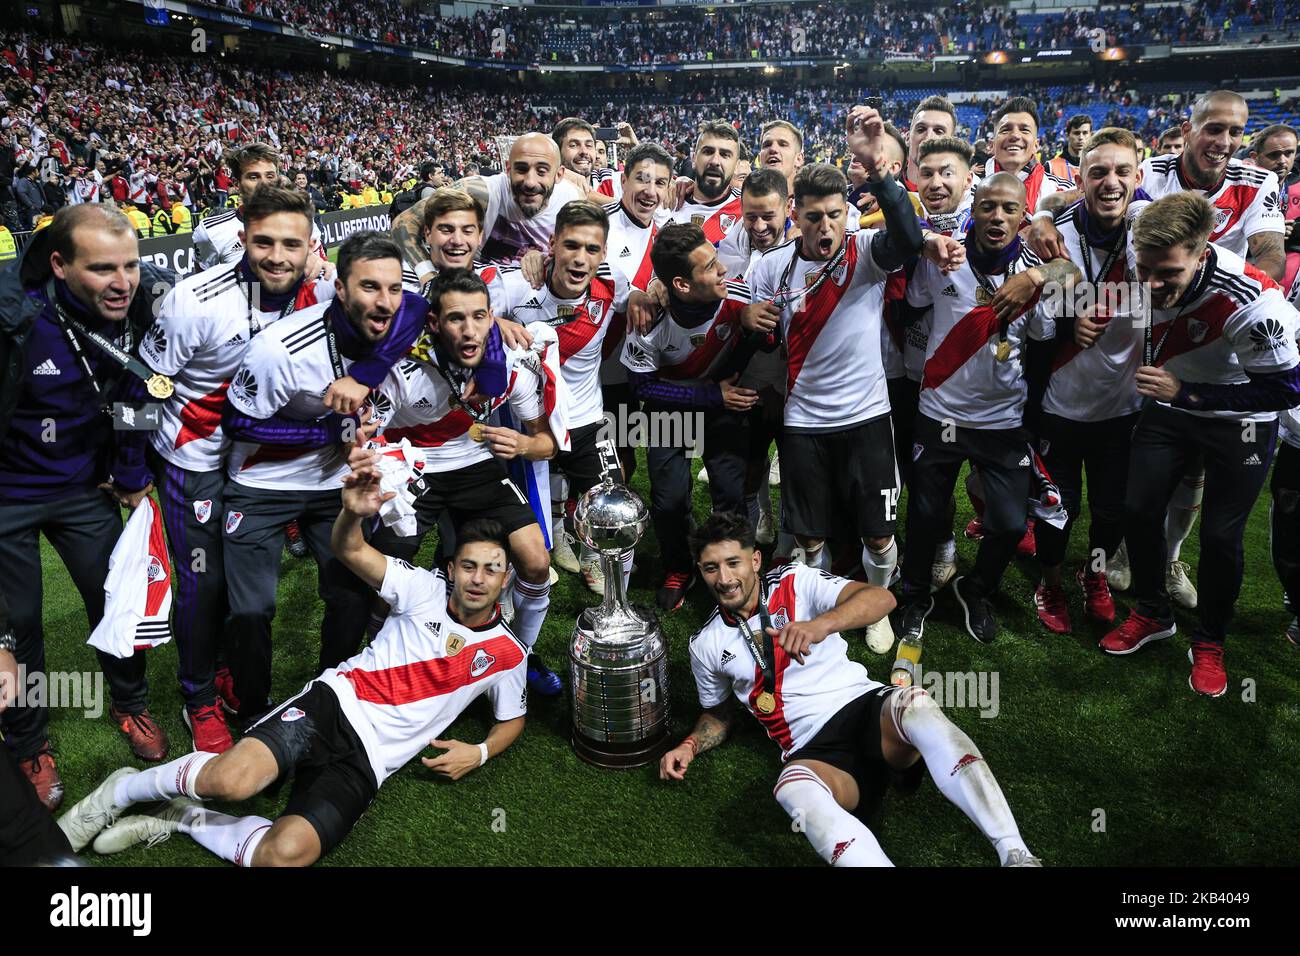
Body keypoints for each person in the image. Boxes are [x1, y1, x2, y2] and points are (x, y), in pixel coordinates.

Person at [57, 503, 527, 867]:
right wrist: (351, 512)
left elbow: (513, 718)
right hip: (332, 707)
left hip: (370, 762)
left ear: (506, 577)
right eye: (469, 566)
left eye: (490, 569)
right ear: (452, 569)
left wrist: (480, 751)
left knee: (285, 855)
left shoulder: (509, 654)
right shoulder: (421, 588)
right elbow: (351, 550)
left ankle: (181, 816)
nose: (478, 578)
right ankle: (115, 794)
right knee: (231, 781)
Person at [136, 187, 397, 753]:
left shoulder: (327, 290)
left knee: (268, 589)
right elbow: (143, 386)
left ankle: (294, 683)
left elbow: (411, 309)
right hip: (200, 458)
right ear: (242, 239)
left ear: (311, 247)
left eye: (291, 244)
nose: (277, 256)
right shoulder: (193, 300)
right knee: (205, 586)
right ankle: (200, 698)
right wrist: (131, 473)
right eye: (263, 242)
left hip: (286, 467)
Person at [660, 512, 1040, 868]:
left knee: (917, 704)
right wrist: (689, 744)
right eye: (711, 568)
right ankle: (896, 781)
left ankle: (1015, 853)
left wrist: (821, 625)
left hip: (865, 710)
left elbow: (882, 599)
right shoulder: (705, 643)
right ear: (701, 572)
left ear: (756, 561)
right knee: (791, 790)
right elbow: (721, 711)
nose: (724, 578)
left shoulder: (796, 581)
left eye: (733, 563)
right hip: (815, 753)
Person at [745, 106, 959, 654]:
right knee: (811, 537)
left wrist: (880, 172)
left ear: (847, 214)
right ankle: (821, 608)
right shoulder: (771, 267)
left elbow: (910, 237)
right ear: (795, 214)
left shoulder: (866, 253)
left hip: (867, 418)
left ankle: (874, 608)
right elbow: (759, 337)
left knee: (879, 533)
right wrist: (752, 322)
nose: (825, 228)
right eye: (814, 217)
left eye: (835, 215)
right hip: (803, 423)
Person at [0, 205, 175, 809]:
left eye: (130, 265)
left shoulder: (146, 304)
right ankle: (28, 744)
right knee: (18, 626)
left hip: (84, 490)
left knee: (118, 601)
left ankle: (129, 706)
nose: (122, 281)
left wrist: (128, 471)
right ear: (59, 264)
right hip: (8, 496)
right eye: (102, 268)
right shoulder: (14, 318)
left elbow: (142, 389)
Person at [1094, 192, 1300, 697]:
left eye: (1169, 274)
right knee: (1138, 511)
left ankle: (1210, 640)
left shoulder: (1254, 305)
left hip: (1239, 422)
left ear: (1202, 252)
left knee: (1221, 537)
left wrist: (1186, 391)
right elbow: (1126, 200)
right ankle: (1152, 612)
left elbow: (1287, 388)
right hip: (1171, 409)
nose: (1154, 285)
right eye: (1145, 270)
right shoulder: (1145, 231)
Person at [220, 230, 426, 727]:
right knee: (251, 611)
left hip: (334, 484)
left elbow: (418, 308)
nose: (385, 303)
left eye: (393, 288)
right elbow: (237, 421)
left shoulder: (401, 315)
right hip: (261, 483)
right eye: (370, 288)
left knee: (351, 591)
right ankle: (248, 706)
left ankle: (328, 688)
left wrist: (367, 373)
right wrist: (328, 429)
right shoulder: (281, 348)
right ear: (340, 288)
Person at [359, 268, 567, 695]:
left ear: (493, 318)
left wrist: (525, 445)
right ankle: (377, 657)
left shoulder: (513, 366)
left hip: (475, 461)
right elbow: (362, 436)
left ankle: (518, 654)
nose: (469, 330)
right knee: (385, 574)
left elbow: (547, 444)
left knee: (535, 561)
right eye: (456, 318)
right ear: (434, 323)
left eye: (479, 317)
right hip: (413, 465)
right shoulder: (400, 366)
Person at [894, 174, 1074, 650]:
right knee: (926, 516)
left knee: (1012, 524)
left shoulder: (1037, 268)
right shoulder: (943, 258)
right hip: (940, 412)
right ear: (974, 209)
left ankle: (976, 591)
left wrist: (1036, 275)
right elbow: (911, 306)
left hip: (1001, 422)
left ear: (1024, 217)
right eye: (988, 207)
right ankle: (912, 595)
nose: (997, 217)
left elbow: (1045, 336)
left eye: (1009, 209)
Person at [1031, 128, 1146, 636]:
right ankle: (1050, 581)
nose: (1111, 181)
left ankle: (1094, 574)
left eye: (1123, 171)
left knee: (1110, 512)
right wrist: (1067, 324)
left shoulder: (1151, 229)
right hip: (1061, 403)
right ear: (1080, 178)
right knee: (1059, 507)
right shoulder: (1054, 234)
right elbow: (1038, 324)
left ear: (1139, 178)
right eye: (1098, 171)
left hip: (1122, 407)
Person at [621, 222, 770, 611]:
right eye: (709, 267)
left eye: (718, 261)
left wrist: (759, 329)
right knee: (668, 502)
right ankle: (678, 567)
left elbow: (773, 337)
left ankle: (733, 570)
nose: (722, 271)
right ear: (681, 285)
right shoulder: (648, 318)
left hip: (722, 409)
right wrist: (710, 394)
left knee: (730, 495)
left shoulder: (738, 299)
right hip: (671, 413)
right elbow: (642, 388)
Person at [495, 202, 637, 593]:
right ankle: (549, 541)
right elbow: (456, 306)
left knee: (612, 506)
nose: (580, 258)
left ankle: (593, 553)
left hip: (585, 421)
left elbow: (642, 295)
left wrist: (650, 293)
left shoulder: (614, 285)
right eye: (571, 245)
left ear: (603, 254)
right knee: (513, 518)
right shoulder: (514, 285)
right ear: (552, 244)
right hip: (527, 422)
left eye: (592, 249)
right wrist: (495, 320)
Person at [191, 143, 326, 273]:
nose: (264, 184)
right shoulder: (210, 232)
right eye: (254, 177)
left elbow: (319, 277)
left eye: (270, 176)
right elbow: (202, 286)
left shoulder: (301, 220)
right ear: (237, 184)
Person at [978, 97, 1071, 226]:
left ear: (1036, 145)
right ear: (992, 144)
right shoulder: (968, 189)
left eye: (1024, 130)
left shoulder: (1064, 193)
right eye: (1006, 129)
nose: (1015, 136)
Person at [671, 120, 743, 244]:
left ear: (736, 166)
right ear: (694, 159)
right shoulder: (668, 198)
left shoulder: (747, 211)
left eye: (725, 154)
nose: (715, 161)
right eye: (708, 152)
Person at [1048, 114, 1092, 184]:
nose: (1081, 137)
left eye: (1085, 133)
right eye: (1076, 133)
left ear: (1090, 135)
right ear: (1067, 135)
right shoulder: (1050, 166)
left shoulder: (1095, 166)